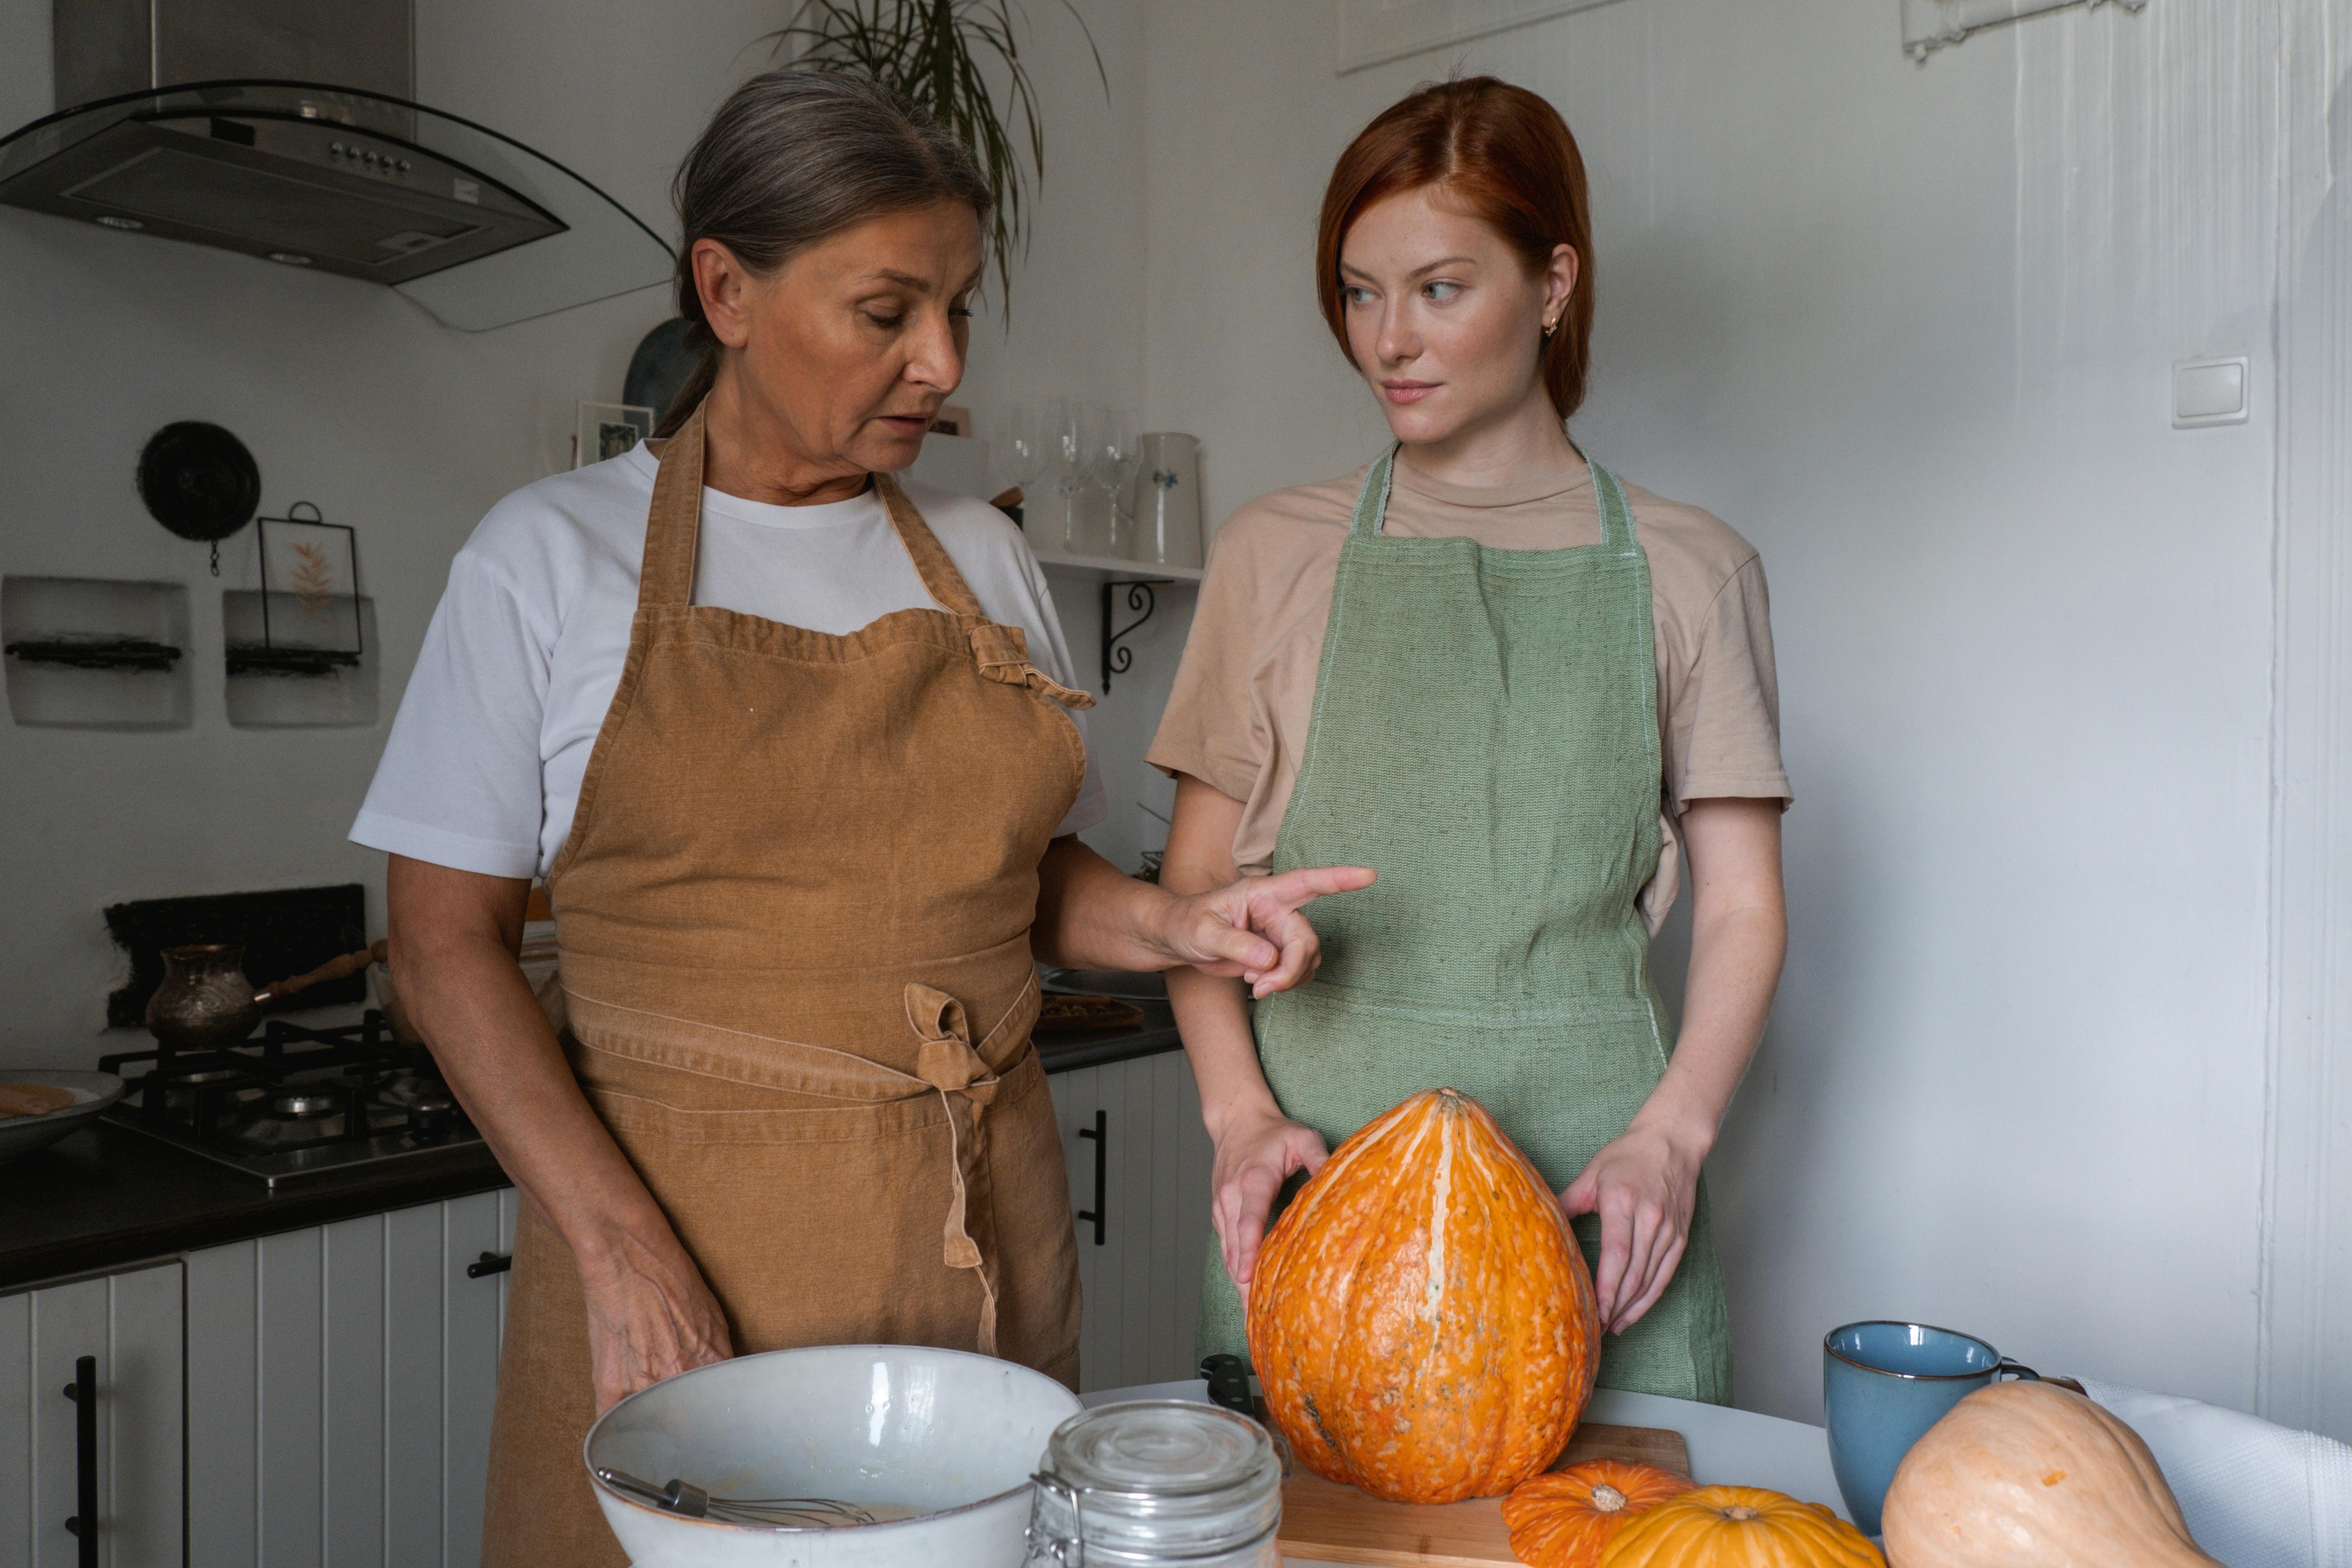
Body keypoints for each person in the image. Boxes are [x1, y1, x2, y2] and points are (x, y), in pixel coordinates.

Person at [349, 71, 1369, 1565]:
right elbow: (444, 948)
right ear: (727, 291)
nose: (940, 362)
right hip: (679, 1252)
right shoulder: (550, 556)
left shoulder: (983, 557)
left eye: (957, 310)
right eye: (887, 312)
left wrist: (1175, 922)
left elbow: (1027, 879)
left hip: (978, 1234)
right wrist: (624, 1256)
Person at [1149, 77, 1790, 1403]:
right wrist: (1239, 1118)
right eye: (1359, 293)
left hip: (1598, 1188)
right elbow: (1195, 892)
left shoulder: (1694, 570)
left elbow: (1741, 906)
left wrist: (1674, 1140)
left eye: (1440, 289)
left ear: (1554, 284)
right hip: (1321, 1183)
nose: (1390, 340)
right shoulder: (1273, 553)